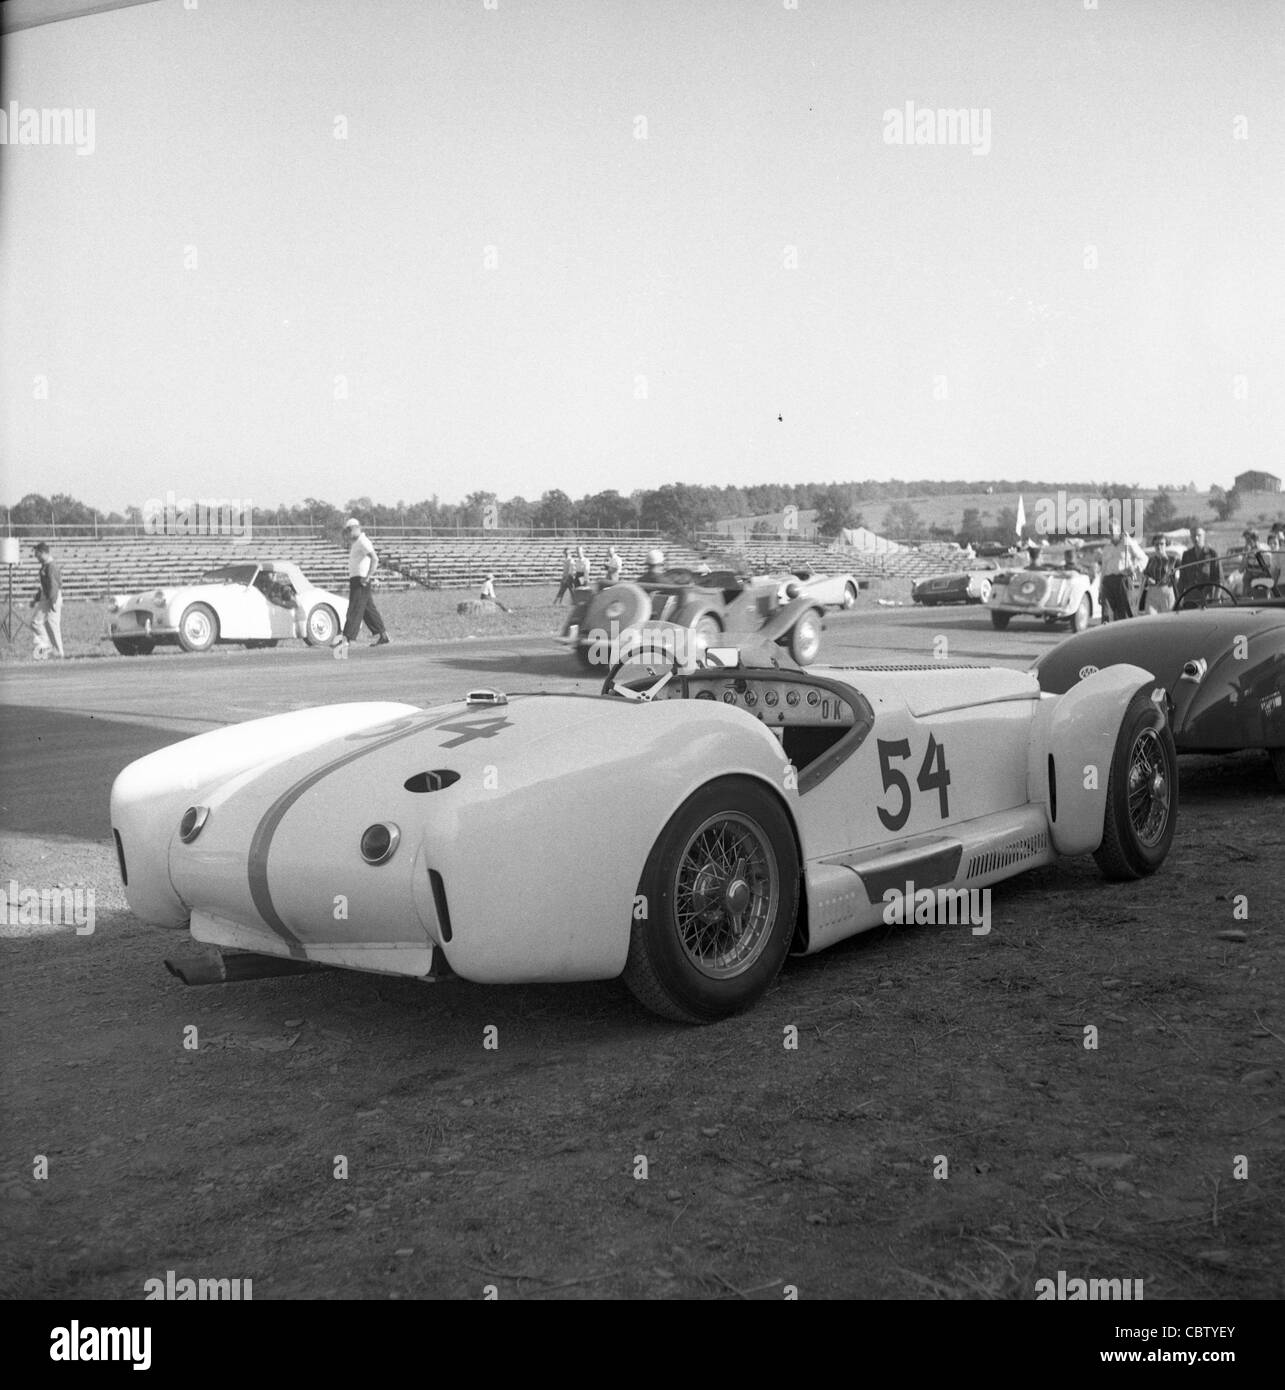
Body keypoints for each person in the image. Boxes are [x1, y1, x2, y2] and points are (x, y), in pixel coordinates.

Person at [334, 517, 390, 653]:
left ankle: (346, 639)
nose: (347, 534)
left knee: (354, 608)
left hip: (361, 580)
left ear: (354, 528)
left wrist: (368, 577)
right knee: (367, 610)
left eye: (348, 530)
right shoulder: (357, 542)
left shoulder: (363, 541)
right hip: (357, 579)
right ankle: (383, 635)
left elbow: (375, 559)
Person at [1097, 521, 1148, 622]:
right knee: (1106, 615)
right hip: (1108, 583)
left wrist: (1134, 567)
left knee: (1124, 614)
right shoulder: (1106, 548)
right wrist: (1100, 590)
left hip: (1123, 581)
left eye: (1111, 529)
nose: (1109, 532)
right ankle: (1107, 637)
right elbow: (1103, 570)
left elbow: (1144, 559)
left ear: (1118, 530)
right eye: (1107, 530)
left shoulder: (1128, 543)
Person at [29, 540, 64, 659]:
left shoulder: (51, 567)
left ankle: (53, 651)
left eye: (37, 553)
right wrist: (36, 599)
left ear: (43, 553)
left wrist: (52, 602)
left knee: (40, 623)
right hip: (48, 597)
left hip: (51, 598)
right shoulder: (45, 566)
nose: (35, 556)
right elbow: (43, 587)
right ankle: (55, 652)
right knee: (49, 626)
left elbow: (54, 586)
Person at [1176, 527, 1219, 604]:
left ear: (1204, 536)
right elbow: (1182, 580)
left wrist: (1216, 600)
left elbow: (1219, 580)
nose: (1196, 538)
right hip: (1190, 600)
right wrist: (1178, 600)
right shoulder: (1186, 555)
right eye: (1193, 536)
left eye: (1199, 535)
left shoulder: (1212, 554)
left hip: (1207, 600)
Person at [1141, 535, 1176, 614]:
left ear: (1166, 545)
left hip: (1166, 591)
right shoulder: (1151, 560)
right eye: (1156, 544)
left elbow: (1177, 577)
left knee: (1166, 620)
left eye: (1161, 544)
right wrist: (1148, 579)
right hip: (1152, 592)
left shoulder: (1173, 560)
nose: (1159, 546)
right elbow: (1146, 574)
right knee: (1150, 619)